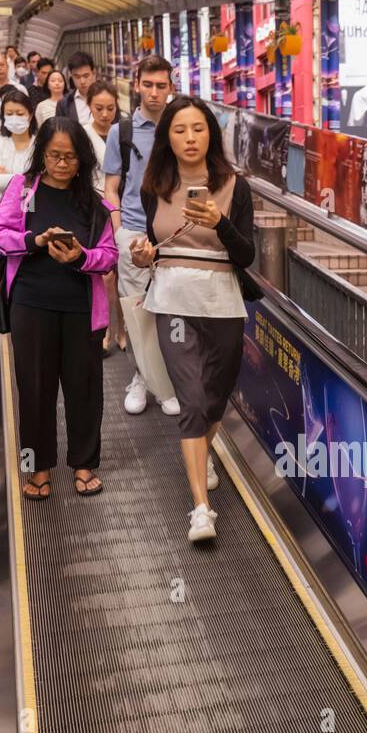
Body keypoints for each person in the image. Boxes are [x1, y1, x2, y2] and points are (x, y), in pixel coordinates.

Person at [131, 96, 255, 543]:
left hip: (222, 303)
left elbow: (246, 254)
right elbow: (153, 243)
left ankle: (204, 449)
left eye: (198, 129)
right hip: (172, 302)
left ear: (211, 134)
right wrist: (144, 255)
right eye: (180, 129)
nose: (189, 138)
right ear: (167, 136)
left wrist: (221, 222)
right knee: (192, 399)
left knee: (216, 397)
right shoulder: (155, 185)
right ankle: (201, 509)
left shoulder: (234, 186)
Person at [0, 118, 117, 500]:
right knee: (33, 389)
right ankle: (37, 467)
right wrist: (34, 240)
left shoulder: (93, 203)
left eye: (71, 157)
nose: (62, 163)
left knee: (84, 388)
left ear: (82, 160)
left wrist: (81, 257)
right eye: (55, 155)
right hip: (31, 303)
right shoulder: (22, 189)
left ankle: (84, 464)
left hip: (81, 307)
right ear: (42, 153)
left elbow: (108, 257)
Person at [103, 55, 179, 417]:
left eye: (160, 86)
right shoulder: (123, 131)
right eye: (147, 85)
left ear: (170, 88)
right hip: (133, 232)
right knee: (137, 312)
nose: (153, 92)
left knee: (171, 308)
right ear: (136, 85)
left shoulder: (180, 127)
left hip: (174, 234)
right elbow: (112, 186)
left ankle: (167, 379)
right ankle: (142, 377)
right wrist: (119, 232)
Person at [83, 80, 127, 356]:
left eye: (110, 108)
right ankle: (107, 328)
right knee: (103, 275)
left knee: (121, 274)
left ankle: (122, 328)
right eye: (99, 108)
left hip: (122, 206)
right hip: (92, 209)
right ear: (89, 107)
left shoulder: (124, 132)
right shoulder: (82, 134)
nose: (105, 113)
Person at [0, 88, 36, 194]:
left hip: (33, 205)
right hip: (4, 206)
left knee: (29, 210)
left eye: (20, 114)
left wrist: (8, 176)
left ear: (30, 116)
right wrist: (27, 178)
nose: (14, 118)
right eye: (9, 114)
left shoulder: (39, 145)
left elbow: (42, 180)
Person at [56, 51, 96, 125]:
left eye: (86, 76)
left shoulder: (106, 97)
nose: (82, 81)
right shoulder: (64, 104)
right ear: (71, 75)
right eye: (77, 77)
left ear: (93, 73)